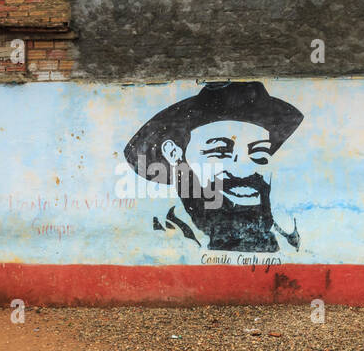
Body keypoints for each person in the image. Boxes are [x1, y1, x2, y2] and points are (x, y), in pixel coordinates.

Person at [124, 81, 302, 252]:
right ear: (174, 154)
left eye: (259, 154)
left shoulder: (285, 233)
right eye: (220, 151)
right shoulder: (169, 233)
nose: (244, 169)